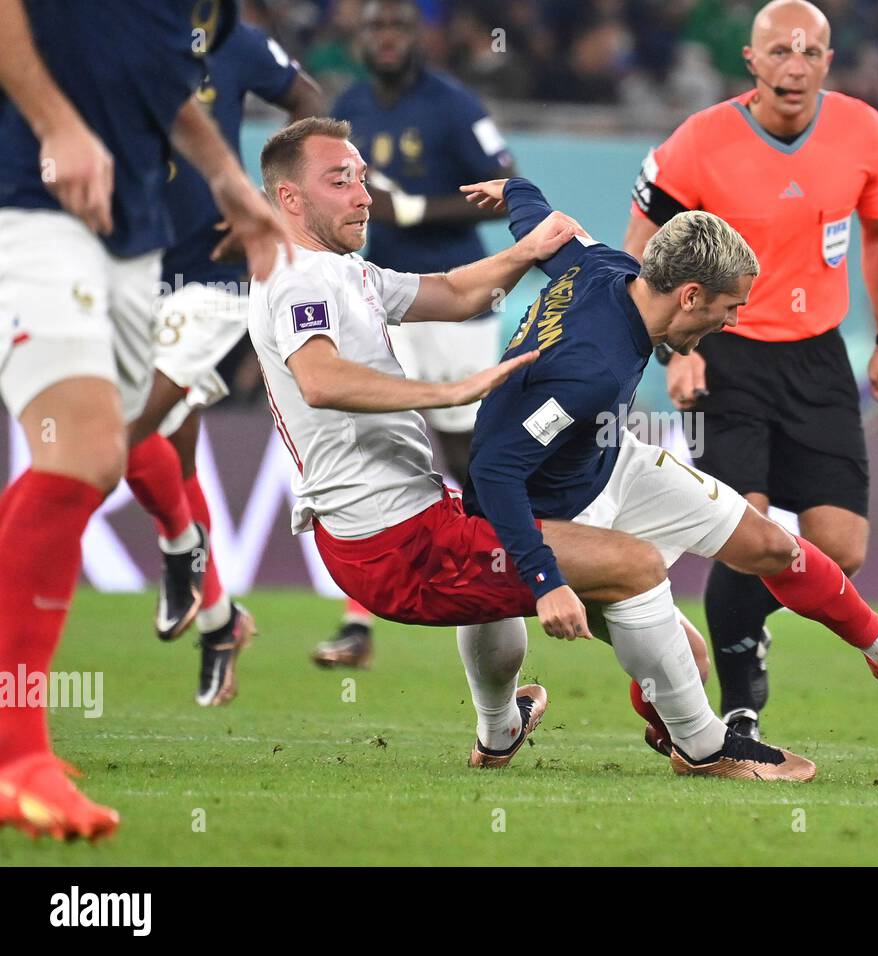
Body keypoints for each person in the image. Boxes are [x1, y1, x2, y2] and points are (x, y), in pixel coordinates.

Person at [246, 118, 817, 781]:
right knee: (632, 565)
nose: (363, 195)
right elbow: (319, 381)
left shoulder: (343, 274)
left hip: (406, 521)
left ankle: (500, 729)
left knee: (502, 556)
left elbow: (460, 295)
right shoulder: (295, 280)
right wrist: (450, 392)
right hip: (391, 540)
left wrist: (527, 248)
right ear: (289, 198)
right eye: (339, 180)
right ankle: (706, 747)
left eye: (363, 178)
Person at [461, 176, 878, 764]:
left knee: (771, 545)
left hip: (607, 458)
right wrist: (544, 579)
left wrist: (516, 189)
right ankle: (679, 745)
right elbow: (494, 469)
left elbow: (545, 228)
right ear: (689, 295)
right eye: (730, 306)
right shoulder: (592, 369)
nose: (733, 322)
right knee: (689, 659)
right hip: (553, 510)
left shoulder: (604, 264)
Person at [0, 0, 291, 841]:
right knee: (83, 449)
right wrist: (55, 123)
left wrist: (229, 179)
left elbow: (157, 72)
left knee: (121, 445)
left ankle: (188, 571)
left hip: (133, 226)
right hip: (32, 190)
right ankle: (19, 754)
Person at [623, 0, 878, 742]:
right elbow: (642, 243)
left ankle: (739, 627)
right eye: (779, 51)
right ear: (751, 62)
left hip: (819, 356)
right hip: (725, 350)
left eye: (811, 52)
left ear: (828, 64)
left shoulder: (864, 134)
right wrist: (674, 350)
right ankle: (736, 703)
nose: (795, 65)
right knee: (744, 530)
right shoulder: (699, 142)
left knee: (842, 549)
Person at [121, 17, 324, 705]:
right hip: (131, 260)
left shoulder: (237, 43)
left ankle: (183, 558)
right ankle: (218, 618)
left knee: (132, 420)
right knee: (166, 456)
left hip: (213, 273)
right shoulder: (121, 32)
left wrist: (274, 202)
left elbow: (306, 96)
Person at [319, 0, 517, 668]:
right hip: (373, 297)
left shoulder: (453, 106)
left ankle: (501, 569)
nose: (386, 39)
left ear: (417, 37)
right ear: (360, 36)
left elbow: (507, 183)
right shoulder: (347, 109)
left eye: (398, 28)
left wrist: (419, 208)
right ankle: (356, 623)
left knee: (464, 451)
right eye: (375, 27)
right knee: (373, 445)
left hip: (449, 298)